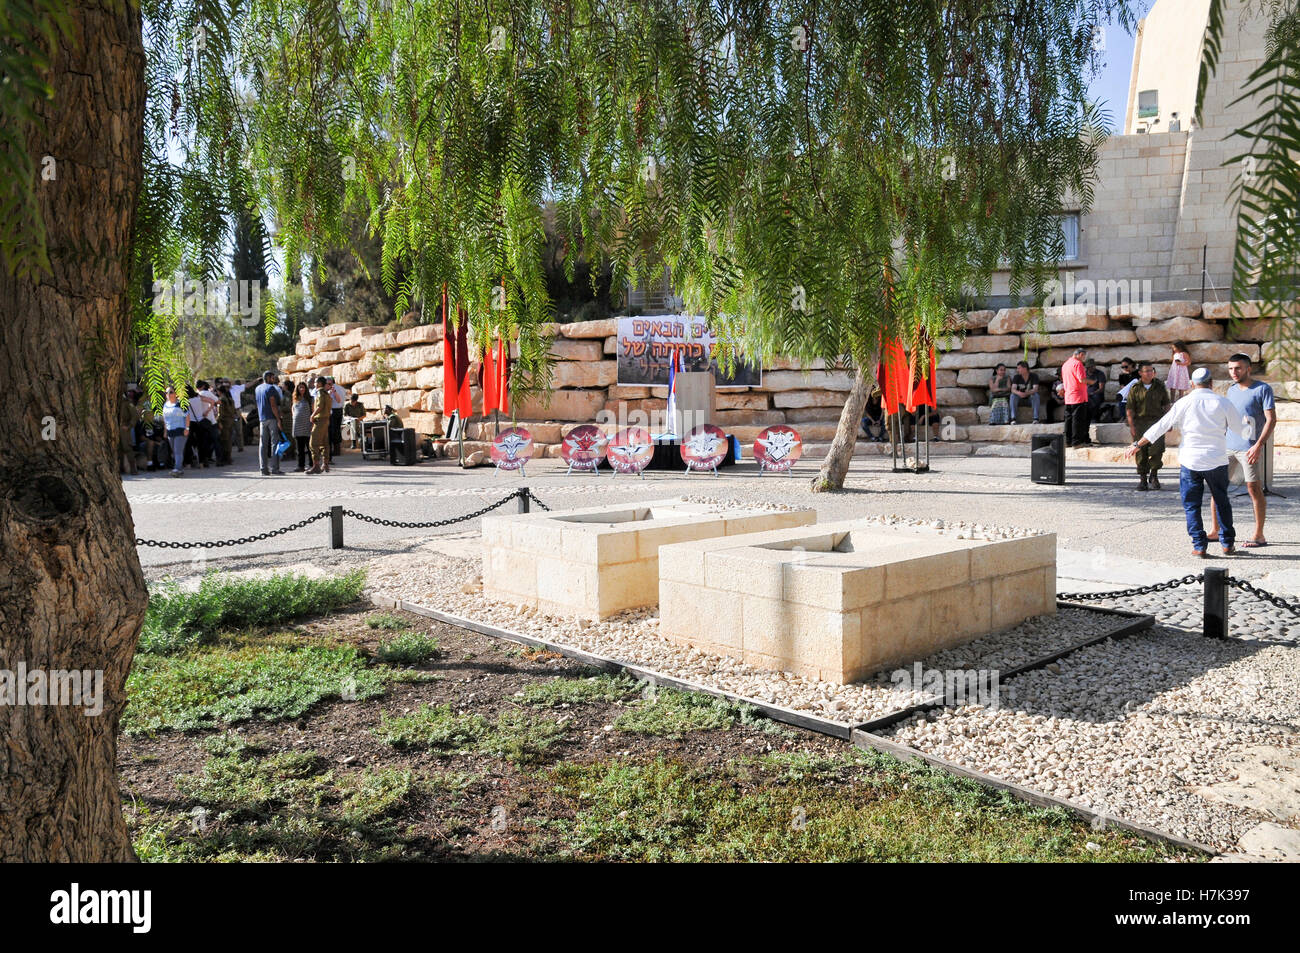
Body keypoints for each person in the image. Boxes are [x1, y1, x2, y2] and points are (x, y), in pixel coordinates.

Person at [1125, 367, 1246, 557]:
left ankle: (1199, 545)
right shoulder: (1223, 402)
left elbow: (1161, 425)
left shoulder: (1184, 402)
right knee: (1222, 500)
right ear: (1211, 383)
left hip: (1190, 460)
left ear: (1191, 384)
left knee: (1191, 504)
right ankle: (1227, 543)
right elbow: (1241, 430)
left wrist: (1138, 444)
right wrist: (1252, 428)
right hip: (1216, 459)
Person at [1209, 353, 1277, 547]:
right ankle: (1215, 530)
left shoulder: (1263, 389)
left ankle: (1259, 535)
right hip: (1227, 447)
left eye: (1238, 368)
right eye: (1230, 368)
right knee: (1217, 488)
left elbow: (1271, 420)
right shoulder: (1231, 390)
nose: (1233, 372)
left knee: (1253, 489)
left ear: (1248, 369)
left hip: (1250, 449)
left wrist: (1258, 445)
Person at [1125, 362, 1171, 491]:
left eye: (1152, 370)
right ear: (1140, 373)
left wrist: (1169, 422)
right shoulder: (1135, 388)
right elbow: (1129, 409)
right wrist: (1131, 426)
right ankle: (1143, 479)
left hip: (1157, 423)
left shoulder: (1160, 386)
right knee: (1140, 451)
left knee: (1157, 450)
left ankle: (1154, 475)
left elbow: (1166, 404)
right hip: (1140, 423)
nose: (1150, 373)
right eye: (1147, 371)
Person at [255, 370, 286, 476]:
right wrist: (278, 419)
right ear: (268, 378)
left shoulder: (257, 388)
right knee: (274, 443)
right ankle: (275, 468)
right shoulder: (271, 388)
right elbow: (273, 404)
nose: (274, 380)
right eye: (273, 378)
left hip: (262, 419)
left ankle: (263, 468)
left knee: (263, 444)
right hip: (272, 418)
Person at [1062, 348, 1091, 446]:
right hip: (1079, 396)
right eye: (1084, 356)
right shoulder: (1078, 364)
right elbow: (1082, 379)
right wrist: (1091, 382)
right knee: (1078, 420)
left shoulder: (1065, 364)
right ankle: (1077, 442)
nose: (1084, 359)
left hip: (1069, 396)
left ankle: (1068, 441)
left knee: (1068, 420)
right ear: (1081, 354)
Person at [161, 386, 189, 477]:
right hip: (170, 430)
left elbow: (187, 416)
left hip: (180, 430)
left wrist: (187, 428)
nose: (168, 394)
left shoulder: (181, 404)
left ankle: (177, 468)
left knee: (178, 450)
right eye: (166, 393)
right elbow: (165, 419)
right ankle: (179, 468)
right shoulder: (165, 405)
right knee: (174, 450)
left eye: (171, 392)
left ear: (176, 394)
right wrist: (165, 431)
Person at [307, 383, 333, 473]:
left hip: (320, 420)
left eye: (315, 382)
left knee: (313, 443)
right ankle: (325, 464)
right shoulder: (327, 394)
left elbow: (320, 405)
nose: (314, 384)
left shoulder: (320, 393)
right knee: (324, 443)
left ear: (319, 383)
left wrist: (312, 415)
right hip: (326, 420)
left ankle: (316, 466)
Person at [291, 382, 313, 472]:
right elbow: (293, 409)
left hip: (307, 425)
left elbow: (313, 410)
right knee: (299, 448)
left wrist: (312, 424)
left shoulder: (310, 399)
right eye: (300, 388)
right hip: (297, 425)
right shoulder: (295, 399)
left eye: (303, 387)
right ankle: (301, 466)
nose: (302, 389)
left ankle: (312, 465)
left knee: (309, 447)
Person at [119, 386, 140, 475]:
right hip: (115, 428)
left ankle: (133, 468)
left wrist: (129, 426)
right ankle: (120, 468)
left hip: (124, 429)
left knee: (127, 448)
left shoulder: (127, 402)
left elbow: (135, 415)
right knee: (117, 448)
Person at [215, 384, 236, 465]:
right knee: (229, 440)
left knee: (224, 441)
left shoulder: (221, 400)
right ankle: (229, 458)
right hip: (230, 421)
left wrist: (218, 422)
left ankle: (224, 458)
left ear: (219, 391)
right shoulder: (230, 399)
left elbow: (220, 413)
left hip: (224, 422)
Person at [329, 376, 346, 456]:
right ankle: (337, 449)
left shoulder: (331, 389)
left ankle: (334, 450)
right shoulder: (342, 388)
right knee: (337, 429)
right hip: (340, 410)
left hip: (333, 410)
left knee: (333, 430)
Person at [227, 378, 245, 451]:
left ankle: (240, 447)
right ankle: (228, 447)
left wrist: (256, 380)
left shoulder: (236, 388)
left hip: (237, 411)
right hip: (228, 412)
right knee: (228, 430)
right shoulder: (223, 391)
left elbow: (247, 385)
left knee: (239, 430)